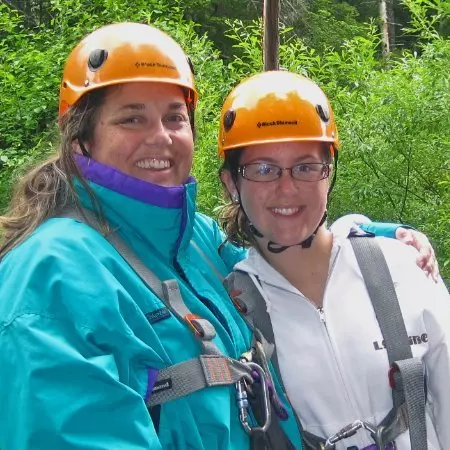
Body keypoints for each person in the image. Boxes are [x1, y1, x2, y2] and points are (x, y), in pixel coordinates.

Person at [0, 23, 439, 450]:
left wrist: (371, 238)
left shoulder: (192, 244)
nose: (160, 137)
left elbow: (282, 243)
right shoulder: (50, 277)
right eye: (132, 118)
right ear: (80, 141)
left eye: (174, 117)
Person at [218, 70, 450, 449]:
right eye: (263, 169)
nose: (287, 187)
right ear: (232, 183)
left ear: (329, 172)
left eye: (306, 166)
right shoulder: (232, 310)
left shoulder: (405, 269)